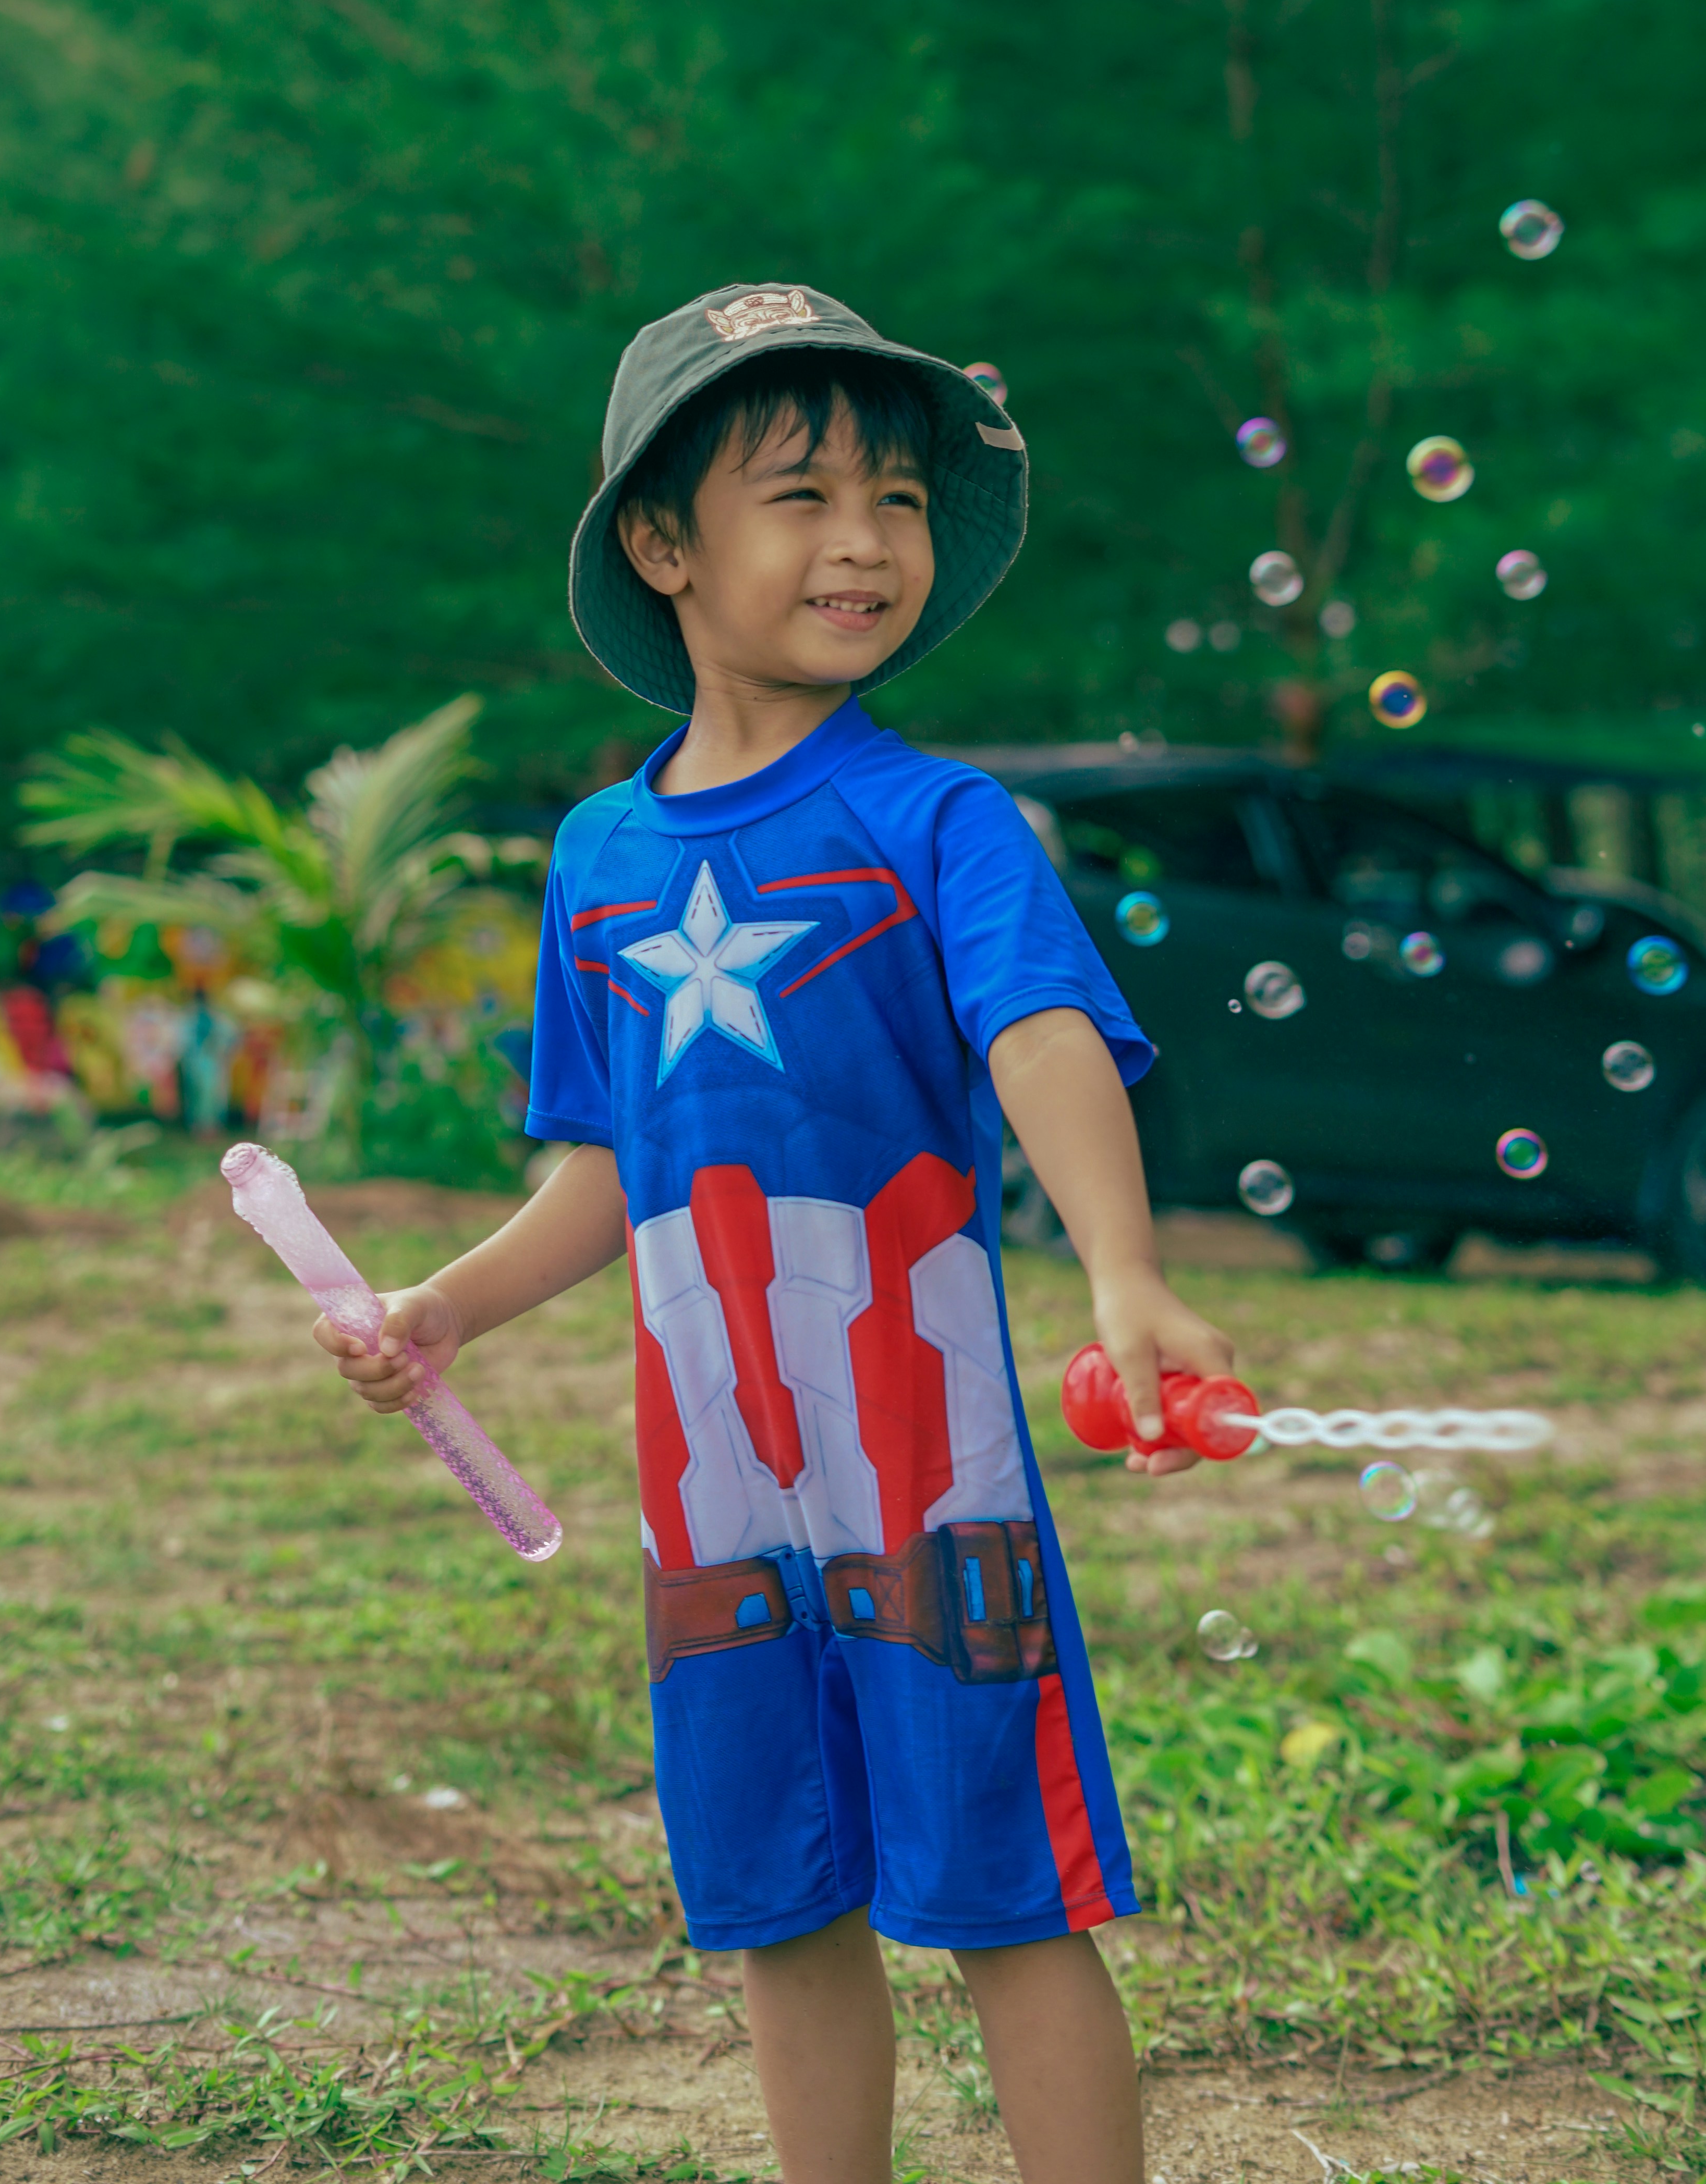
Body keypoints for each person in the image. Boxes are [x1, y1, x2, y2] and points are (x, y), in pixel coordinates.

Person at [315, 280, 1235, 2184]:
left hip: (924, 1446)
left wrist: (1126, 1273)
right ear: (664, 545)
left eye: (896, 500)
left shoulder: (942, 819)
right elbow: (610, 1165)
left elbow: (1042, 1035)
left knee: (1005, 1890)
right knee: (776, 1889)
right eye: (802, 496)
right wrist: (451, 1306)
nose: (864, 542)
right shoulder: (599, 856)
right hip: (716, 1475)